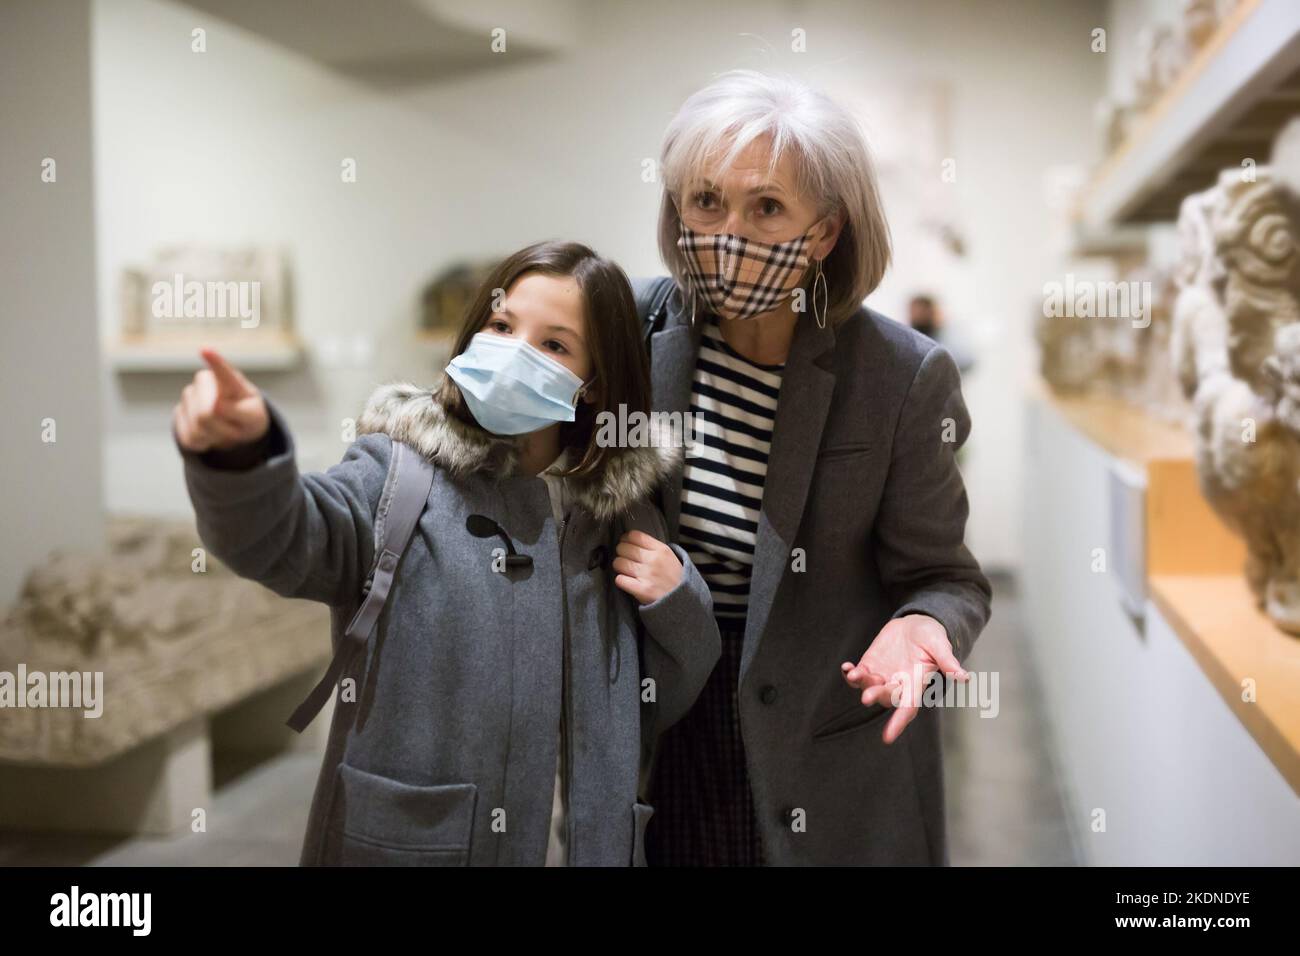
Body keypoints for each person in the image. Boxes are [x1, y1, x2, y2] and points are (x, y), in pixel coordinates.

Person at [172, 240, 721, 866]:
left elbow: (665, 693)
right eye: (501, 325)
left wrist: (679, 597)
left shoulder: (621, 516)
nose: (515, 352)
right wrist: (242, 459)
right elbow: (284, 539)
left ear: (595, 383)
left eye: (554, 345)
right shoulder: (397, 476)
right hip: (420, 844)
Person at [632, 70, 993, 865]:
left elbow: (948, 577)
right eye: (705, 201)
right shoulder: (629, 330)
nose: (729, 231)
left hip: (824, 748)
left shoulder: (900, 376)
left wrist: (920, 625)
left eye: (766, 206)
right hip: (662, 733)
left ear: (824, 232)